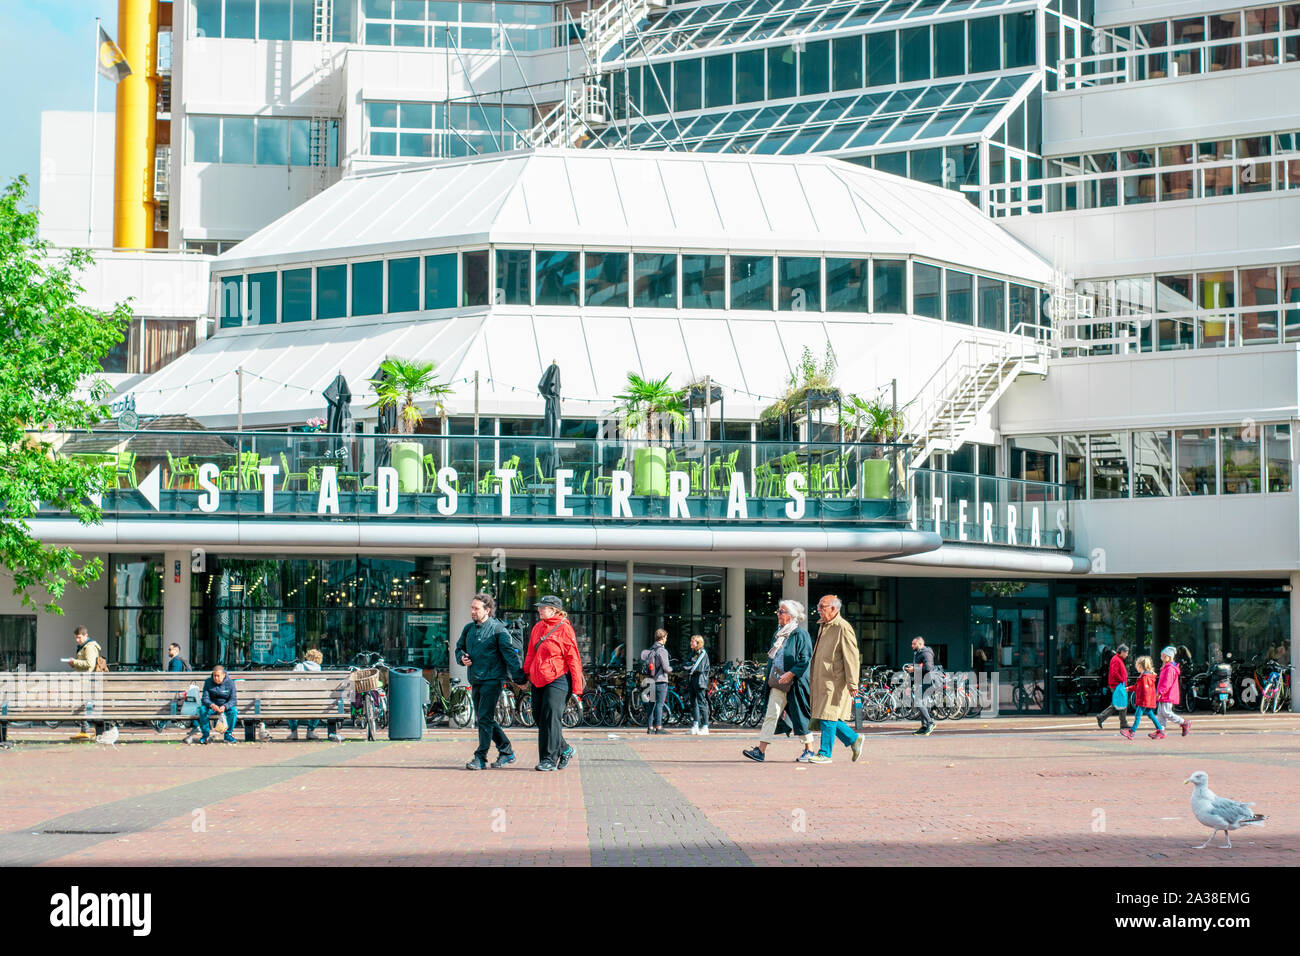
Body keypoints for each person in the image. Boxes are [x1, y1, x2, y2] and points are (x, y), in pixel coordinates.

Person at [456, 593, 524, 770]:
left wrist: (519, 677)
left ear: (487, 610)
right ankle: (506, 750)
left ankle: (480, 757)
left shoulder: (498, 629)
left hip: (493, 679)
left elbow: (509, 655)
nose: (472, 611)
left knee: (484, 718)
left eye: (476, 608)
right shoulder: (468, 629)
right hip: (476, 678)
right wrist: (461, 657)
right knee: (484, 718)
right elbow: (459, 648)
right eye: (472, 608)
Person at [742, 599, 814, 763]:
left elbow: (805, 659)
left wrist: (791, 674)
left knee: (800, 716)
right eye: (778, 611)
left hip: (795, 683)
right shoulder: (778, 633)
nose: (778, 614)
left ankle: (809, 749)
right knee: (771, 714)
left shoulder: (800, 634)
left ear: (791, 615)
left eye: (781, 612)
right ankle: (760, 751)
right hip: (778, 682)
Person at [522, 595, 584, 772]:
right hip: (538, 678)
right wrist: (525, 675)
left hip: (558, 679)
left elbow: (573, 658)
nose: (539, 609)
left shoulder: (565, 629)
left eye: (543, 607)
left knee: (551, 718)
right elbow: (530, 654)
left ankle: (548, 759)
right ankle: (565, 749)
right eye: (539, 607)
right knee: (538, 716)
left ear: (554, 610)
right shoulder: (537, 628)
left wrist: (577, 686)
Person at [807, 595, 864, 764]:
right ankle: (853, 739)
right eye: (818, 606)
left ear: (834, 609)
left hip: (835, 681)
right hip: (822, 679)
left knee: (828, 715)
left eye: (822, 606)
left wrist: (853, 683)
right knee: (826, 715)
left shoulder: (842, 627)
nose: (818, 610)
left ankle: (825, 753)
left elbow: (852, 657)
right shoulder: (824, 626)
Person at [68, 626, 104, 738]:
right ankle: (86, 730)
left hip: (87, 681)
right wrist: (74, 663)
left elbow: (90, 664)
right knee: (84, 705)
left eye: (79, 637)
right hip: (84, 681)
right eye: (76, 638)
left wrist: (75, 662)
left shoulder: (89, 647)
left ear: (85, 636)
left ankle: (88, 730)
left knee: (84, 705)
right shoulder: (83, 647)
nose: (77, 640)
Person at [192, 664, 238, 745]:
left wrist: (225, 706)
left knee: (234, 711)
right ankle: (205, 735)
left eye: (218, 676)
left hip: (225, 707)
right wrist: (211, 705)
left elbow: (233, 700)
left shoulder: (230, 683)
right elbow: (205, 698)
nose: (216, 678)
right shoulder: (208, 682)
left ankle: (228, 735)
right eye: (214, 676)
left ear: (224, 675)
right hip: (212, 708)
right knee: (202, 710)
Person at [287, 648, 325, 741]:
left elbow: (290, 683)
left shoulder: (299, 666)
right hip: (313, 703)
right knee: (320, 704)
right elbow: (323, 687)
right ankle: (310, 731)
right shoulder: (319, 670)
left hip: (298, 702)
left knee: (289, 705)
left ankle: (294, 732)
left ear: (307, 657)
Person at [640, 629, 673, 735]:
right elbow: (666, 667)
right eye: (666, 637)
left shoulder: (652, 649)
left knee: (651, 704)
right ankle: (659, 727)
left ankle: (650, 727)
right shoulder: (662, 650)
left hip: (651, 680)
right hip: (660, 681)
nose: (666, 639)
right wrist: (672, 669)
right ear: (662, 638)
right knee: (659, 704)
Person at [1124, 655, 1163, 740]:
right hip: (1147, 701)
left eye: (1137, 666)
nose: (1136, 667)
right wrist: (1129, 688)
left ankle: (1132, 732)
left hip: (1144, 701)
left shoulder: (1145, 677)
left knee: (1137, 715)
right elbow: (1138, 687)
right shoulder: (1145, 676)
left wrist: (1143, 702)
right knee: (1151, 715)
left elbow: (1146, 690)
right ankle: (1160, 730)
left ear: (1140, 666)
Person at [904, 635, 936, 736]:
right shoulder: (918, 653)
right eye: (912, 643)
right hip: (920, 681)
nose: (912, 645)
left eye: (914, 644)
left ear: (920, 644)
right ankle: (924, 726)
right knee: (921, 703)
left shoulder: (926, 653)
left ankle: (930, 723)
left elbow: (928, 668)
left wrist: (914, 669)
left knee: (919, 702)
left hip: (927, 681)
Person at [1156, 645, 1189, 737]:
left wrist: (1160, 692)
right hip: (1165, 694)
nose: (1162, 658)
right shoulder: (1167, 667)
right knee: (1161, 713)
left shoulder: (1169, 668)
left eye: (1164, 656)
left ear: (1169, 657)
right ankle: (1160, 731)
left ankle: (1183, 722)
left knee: (1166, 712)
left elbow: (1167, 683)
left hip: (1167, 694)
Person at [1096, 643, 1130, 732]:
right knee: (1120, 704)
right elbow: (1115, 673)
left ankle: (1122, 722)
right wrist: (1122, 680)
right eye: (1126, 652)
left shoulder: (1117, 659)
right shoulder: (1116, 659)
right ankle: (1122, 723)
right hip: (1118, 685)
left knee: (1119, 704)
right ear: (1122, 652)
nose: (1127, 654)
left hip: (1118, 685)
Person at [685, 634, 710, 735]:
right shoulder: (693, 653)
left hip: (700, 681)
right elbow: (685, 663)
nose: (691, 643)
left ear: (698, 643)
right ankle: (695, 725)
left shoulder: (703, 653)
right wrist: (689, 666)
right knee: (693, 703)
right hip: (693, 680)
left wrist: (689, 667)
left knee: (701, 703)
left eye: (693, 641)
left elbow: (696, 667)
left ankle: (705, 726)